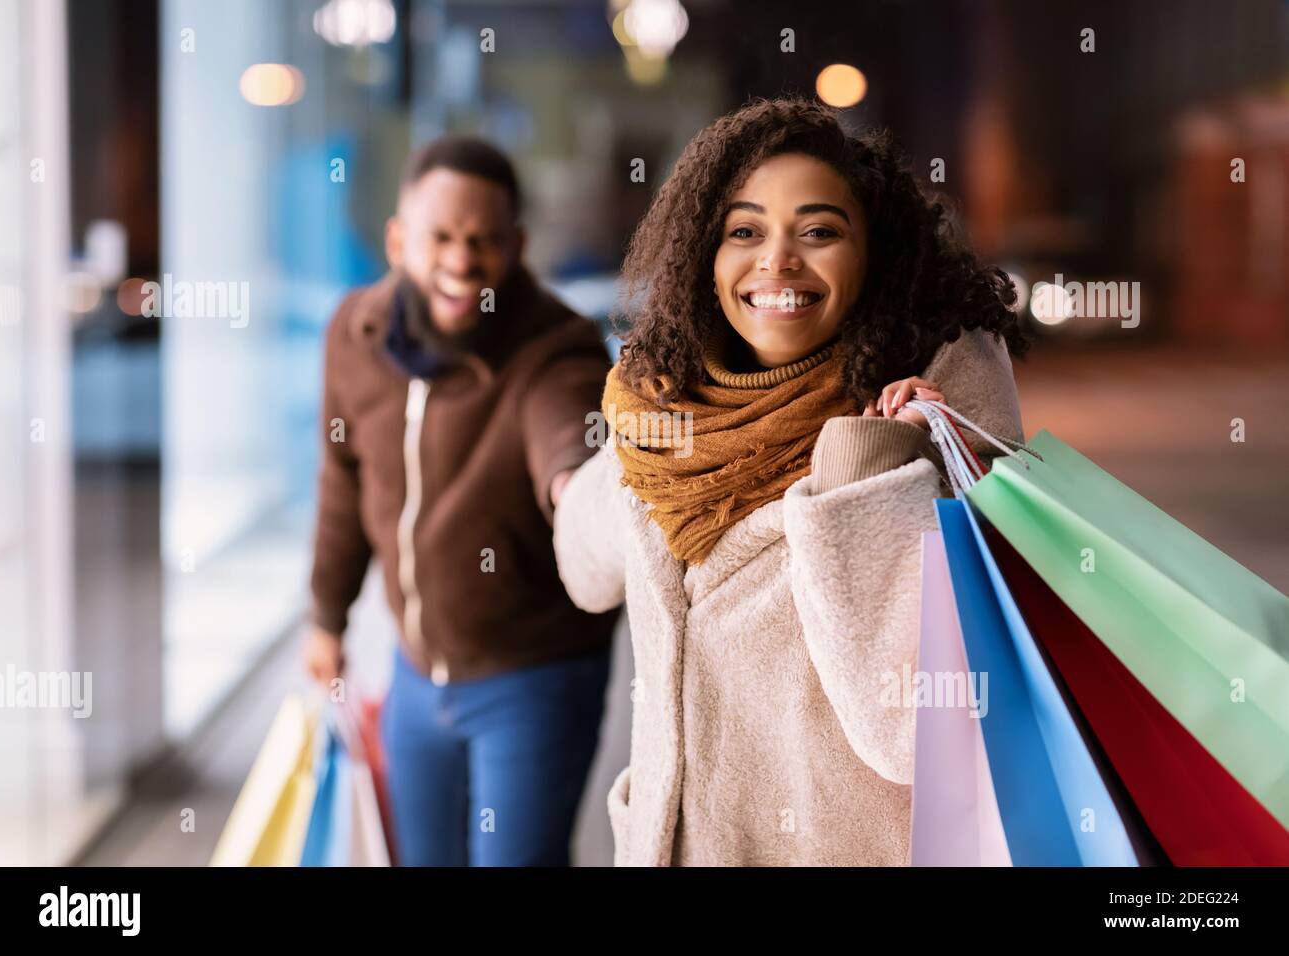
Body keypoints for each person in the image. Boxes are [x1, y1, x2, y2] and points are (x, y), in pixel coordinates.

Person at [552, 97, 1030, 866]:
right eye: (744, 231)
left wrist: (864, 471)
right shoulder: (663, 414)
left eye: (819, 231)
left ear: (871, 252)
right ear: (704, 255)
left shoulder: (932, 404)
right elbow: (585, 564)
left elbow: (914, 727)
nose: (777, 261)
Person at [304, 135, 620, 866]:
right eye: (440, 236)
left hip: (534, 679)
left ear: (516, 246)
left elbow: (568, 435)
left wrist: (578, 490)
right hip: (414, 674)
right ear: (397, 239)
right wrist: (326, 616)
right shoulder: (355, 334)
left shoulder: (557, 346)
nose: (459, 260)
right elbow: (342, 480)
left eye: (482, 241)